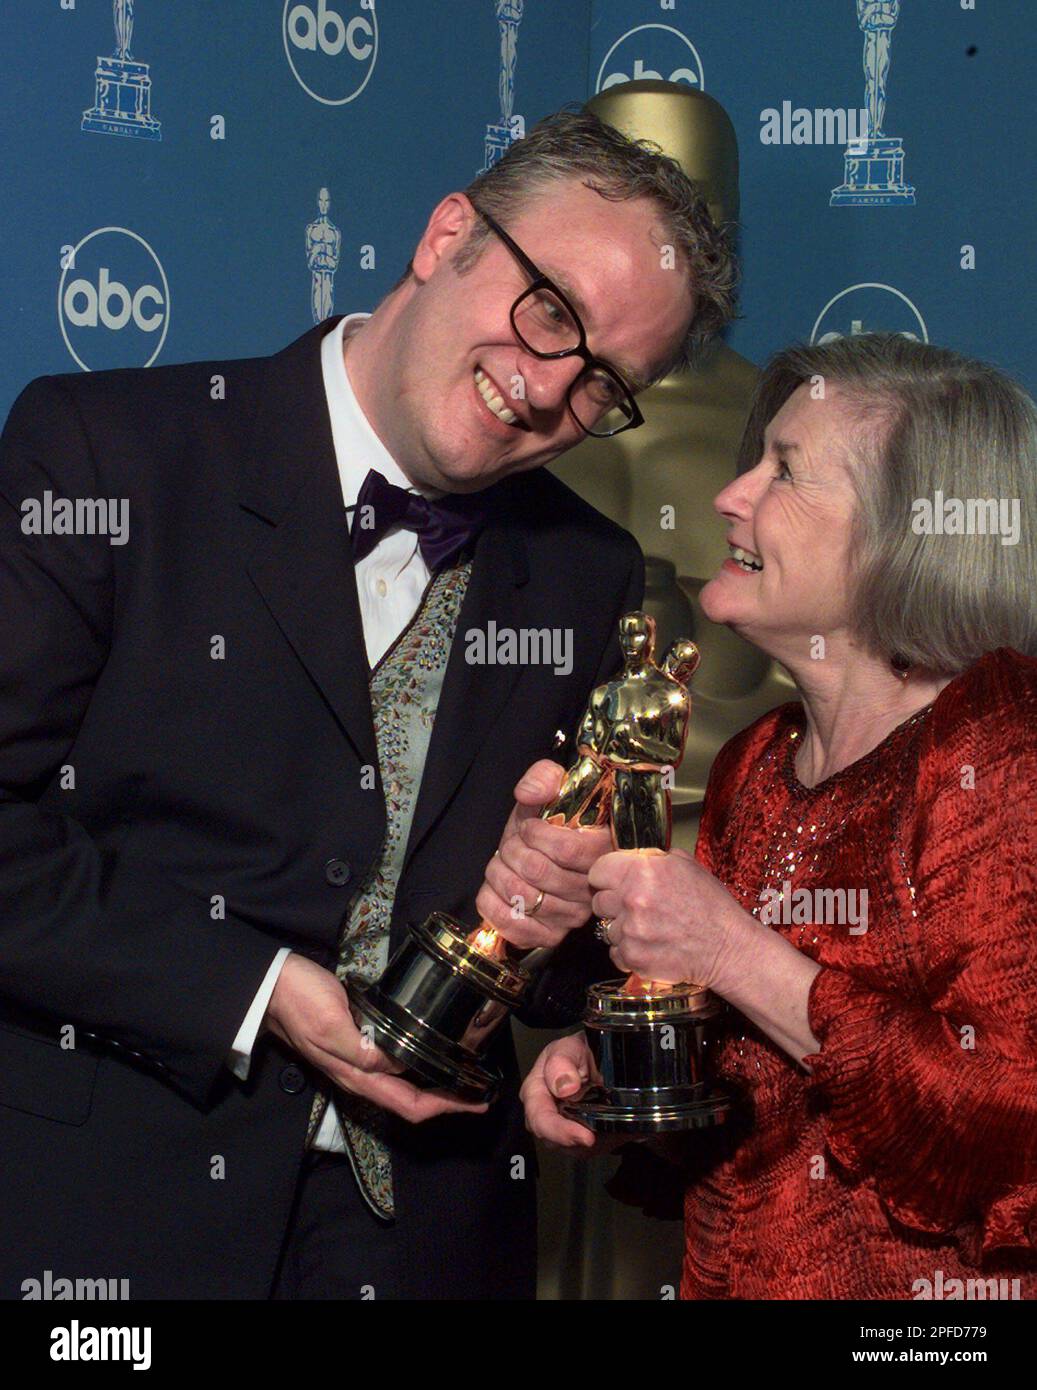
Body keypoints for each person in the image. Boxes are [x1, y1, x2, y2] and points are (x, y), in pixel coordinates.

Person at [0, 108, 736, 1300]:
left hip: (426, 1241)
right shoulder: (110, 455)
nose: (549, 385)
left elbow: (545, 975)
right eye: (549, 310)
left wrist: (544, 919)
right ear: (449, 234)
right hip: (109, 1220)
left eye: (607, 379)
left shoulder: (585, 569)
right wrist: (256, 992)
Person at [522, 333, 1037, 1299]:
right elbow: (765, 1102)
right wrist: (620, 1064)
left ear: (911, 533)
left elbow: (1008, 1123)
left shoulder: (1001, 746)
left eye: (785, 471)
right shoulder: (758, 760)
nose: (728, 494)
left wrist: (730, 953)